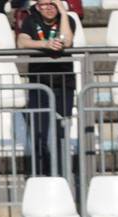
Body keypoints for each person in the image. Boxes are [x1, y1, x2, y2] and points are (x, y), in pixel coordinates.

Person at [16, 0, 74, 177]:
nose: (48, 8)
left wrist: (64, 13)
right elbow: (22, 42)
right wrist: (45, 44)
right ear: (37, 7)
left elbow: (68, 41)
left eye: (52, 4)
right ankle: (41, 173)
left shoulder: (67, 19)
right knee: (39, 131)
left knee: (60, 131)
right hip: (39, 83)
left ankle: (61, 173)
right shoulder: (31, 20)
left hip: (63, 83)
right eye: (43, 5)